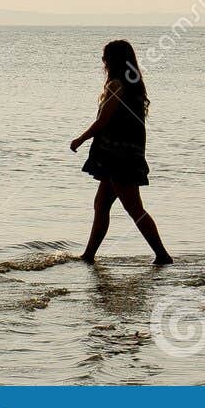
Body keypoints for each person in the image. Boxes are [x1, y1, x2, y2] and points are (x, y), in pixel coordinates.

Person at [70, 40, 173, 265]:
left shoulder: (116, 85)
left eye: (105, 57)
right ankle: (88, 256)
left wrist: (80, 139)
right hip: (122, 156)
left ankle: (162, 255)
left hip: (120, 158)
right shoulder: (133, 85)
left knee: (134, 208)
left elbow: (103, 120)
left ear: (113, 60)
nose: (103, 61)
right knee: (101, 205)